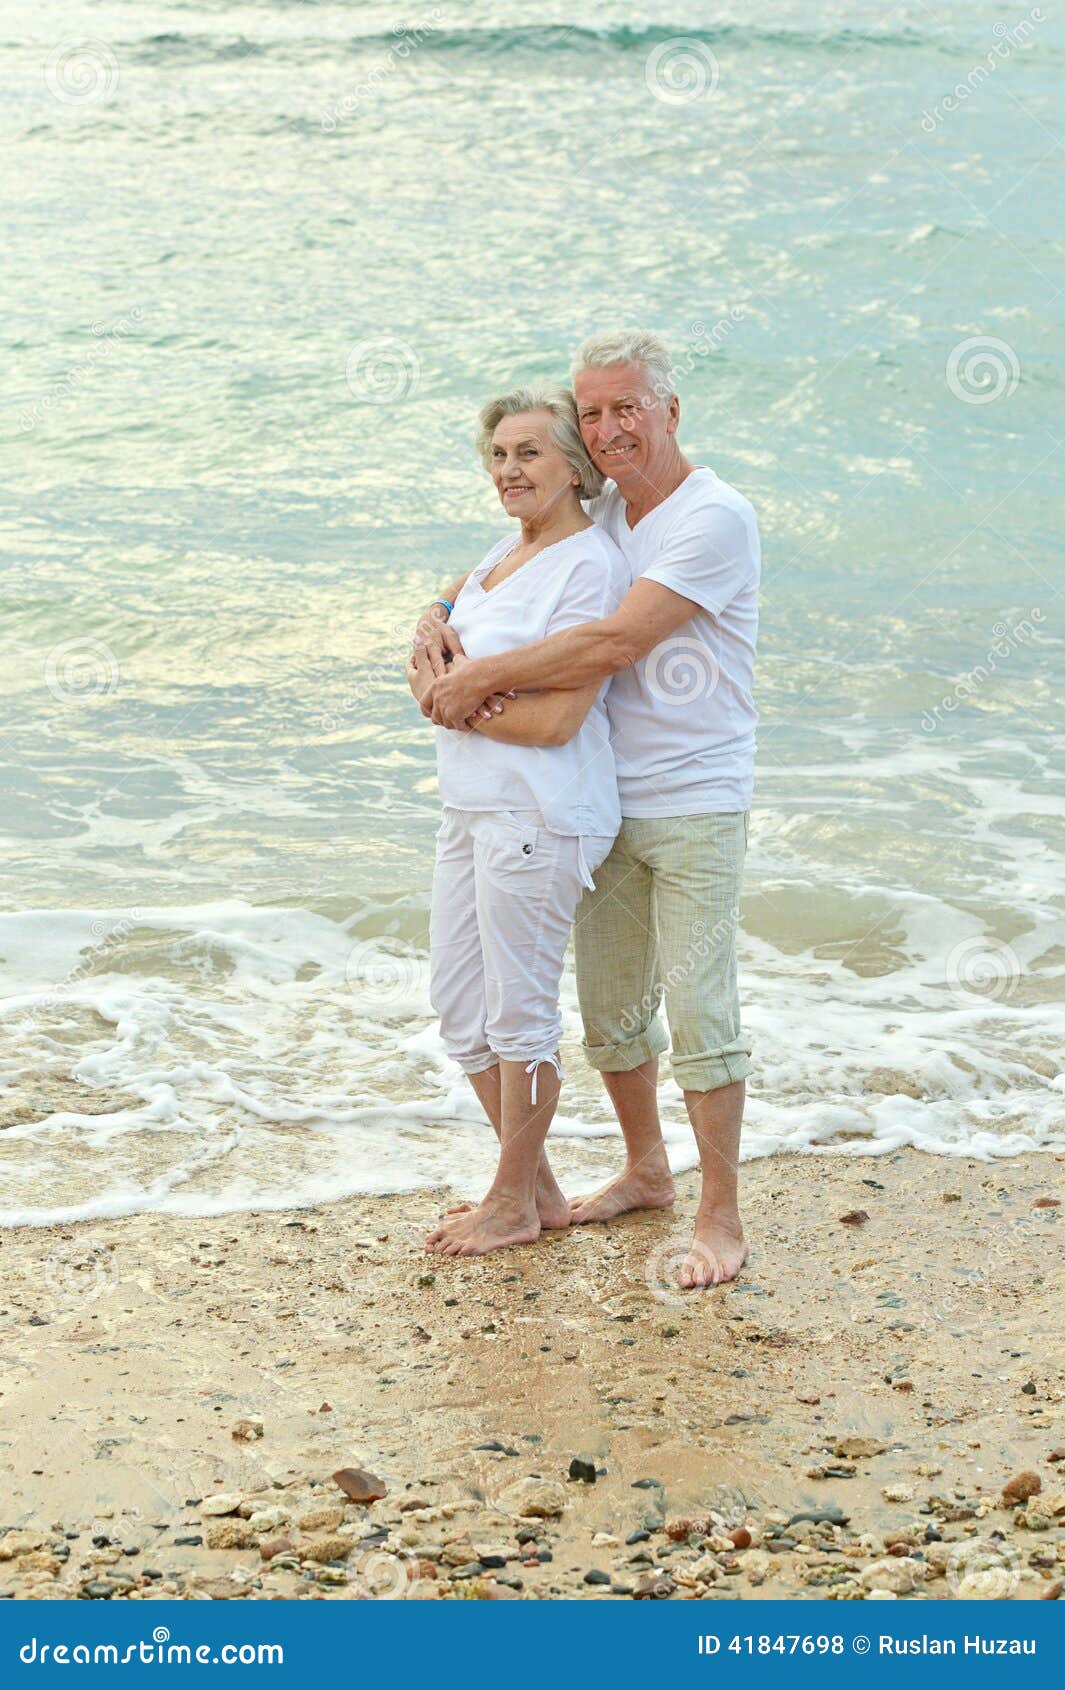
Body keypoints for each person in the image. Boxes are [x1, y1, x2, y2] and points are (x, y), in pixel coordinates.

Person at [418, 331, 759, 1288]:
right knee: (612, 1013)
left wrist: (470, 682)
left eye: (626, 409)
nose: (609, 429)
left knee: (697, 1009)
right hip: (607, 798)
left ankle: (720, 1219)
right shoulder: (607, 510)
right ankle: (645, 1172)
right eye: (595, 411)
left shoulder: (712, 517)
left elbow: (609, 642)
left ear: (670, 412)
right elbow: (510, 557)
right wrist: (434, 618)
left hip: (691, 794)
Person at [407, 385, 629, 1257]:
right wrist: (436, 642)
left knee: (520, 1018)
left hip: (540, 815)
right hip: (470, 809)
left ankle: (508, 1201)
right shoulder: (504, 550)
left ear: (575, 465)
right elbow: (435, 650)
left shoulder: (590, 565)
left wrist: (457, 698)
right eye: (498, 455)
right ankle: (532, 1191)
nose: (509, 470)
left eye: (529, 453)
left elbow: (557, 720)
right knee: (460, 1012)